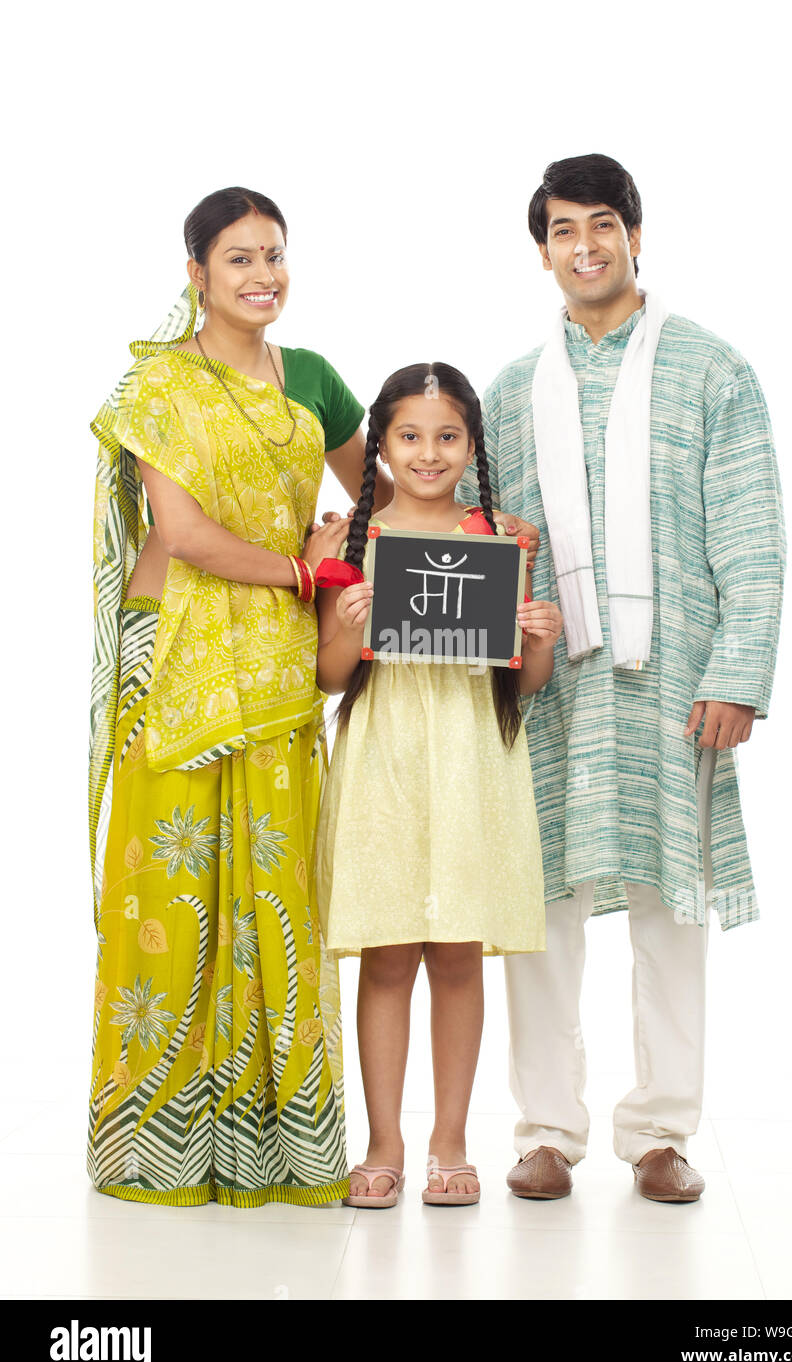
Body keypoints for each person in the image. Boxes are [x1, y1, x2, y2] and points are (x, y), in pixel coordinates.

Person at [455, 154, 786, 1202]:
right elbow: (467, 531)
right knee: (538, 902)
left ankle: (657, 1134)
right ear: (541, 248)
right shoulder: (507, 392)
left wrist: (737, 667)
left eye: (602, 224)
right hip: (548, 686)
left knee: (666, 905)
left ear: (635, 235)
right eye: (562, 229)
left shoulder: (709, 369)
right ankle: (545, 1128)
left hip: (671, 678)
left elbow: (750, 529)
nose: (584, 245)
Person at [88, 186, 392, 1207]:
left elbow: (380, 491)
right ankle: (156, 1142)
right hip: (173, 656)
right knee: (168, 888)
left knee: (275, 896)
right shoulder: (160, 386)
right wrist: (305, 571)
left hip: (272, 662)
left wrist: (349, 549)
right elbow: (182, 535)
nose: (261, 274)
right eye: (237, 259)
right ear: (196, 276)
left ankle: (277, 1144)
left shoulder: (308, 379)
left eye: (273, 255)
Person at [314, 363, 563, 1207]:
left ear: (473, 444)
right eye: (409, 437)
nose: (428, 453)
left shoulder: (503, 538)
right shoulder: (353, 537)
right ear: (379, 443)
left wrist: (541, 637)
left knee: (457, 952)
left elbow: (522, 680)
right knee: (386, 952)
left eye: (447, 436)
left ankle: (450, 1143)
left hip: (470, 754)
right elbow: (328, 675)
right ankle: (381, 1143)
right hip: (385, 753)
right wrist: (348, 626)